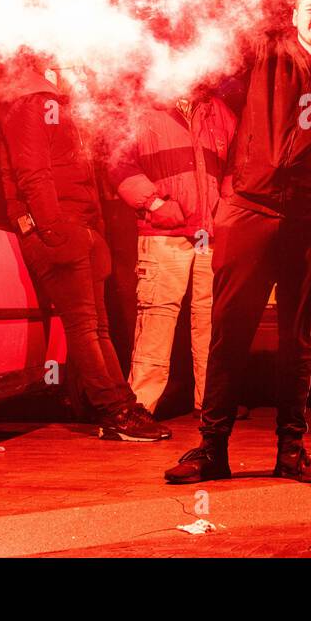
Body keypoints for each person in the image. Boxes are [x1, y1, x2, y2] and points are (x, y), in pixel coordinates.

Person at [165, 0, 311, 486]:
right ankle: (211, 450)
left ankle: (292, 451)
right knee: (228, 333)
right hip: (249, 212)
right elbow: (224, 19)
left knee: (296, 338)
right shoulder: (265, 55)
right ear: (295, 16)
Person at [0, 50, 170, 442]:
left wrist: (93, 233)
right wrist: (55, 230)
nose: (87, 77)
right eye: (79, 68)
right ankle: (116, 411)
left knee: (97, 327)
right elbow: (33, 173)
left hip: (81, 232)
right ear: (53, 69)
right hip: (63, 232)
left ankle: (119, 407)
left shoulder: (55, 108)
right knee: (85, 327)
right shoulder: (32, 106)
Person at [109, 91, 237, 416]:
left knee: (210, 319)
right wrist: (154, 203)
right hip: (163, 232)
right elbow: (116, 160)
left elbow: (236, 165)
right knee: (157, 316)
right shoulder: (138, 107)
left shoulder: (217, 110)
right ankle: (140, 406)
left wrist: (225, 206)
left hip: (210, 233)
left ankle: (210, 405)